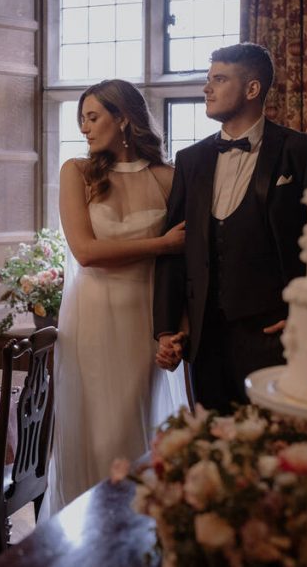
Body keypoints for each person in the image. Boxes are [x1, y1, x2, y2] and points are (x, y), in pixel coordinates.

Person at [152, 43, 307, 414]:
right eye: (208, 79)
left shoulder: (301, 152)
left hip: (275, 334)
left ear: (252, 89)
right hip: (205, 337)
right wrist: (166, 328)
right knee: (215, 445)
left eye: (219, 79)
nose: (207, 88)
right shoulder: (192, 160)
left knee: (275, 445)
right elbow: (176, 248)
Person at [43, 79, 189, 516]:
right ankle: (87, 531)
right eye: (81, 119)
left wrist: (175, 330)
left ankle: (136, 530)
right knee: (97, 434)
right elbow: (85, 252)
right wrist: (162, 244)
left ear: (123, 118)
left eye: (93, 117)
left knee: (135, 428)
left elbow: (182, 270)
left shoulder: (170, 178)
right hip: (92, 319)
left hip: (144, 319)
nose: (85, 128)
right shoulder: (78, 173)